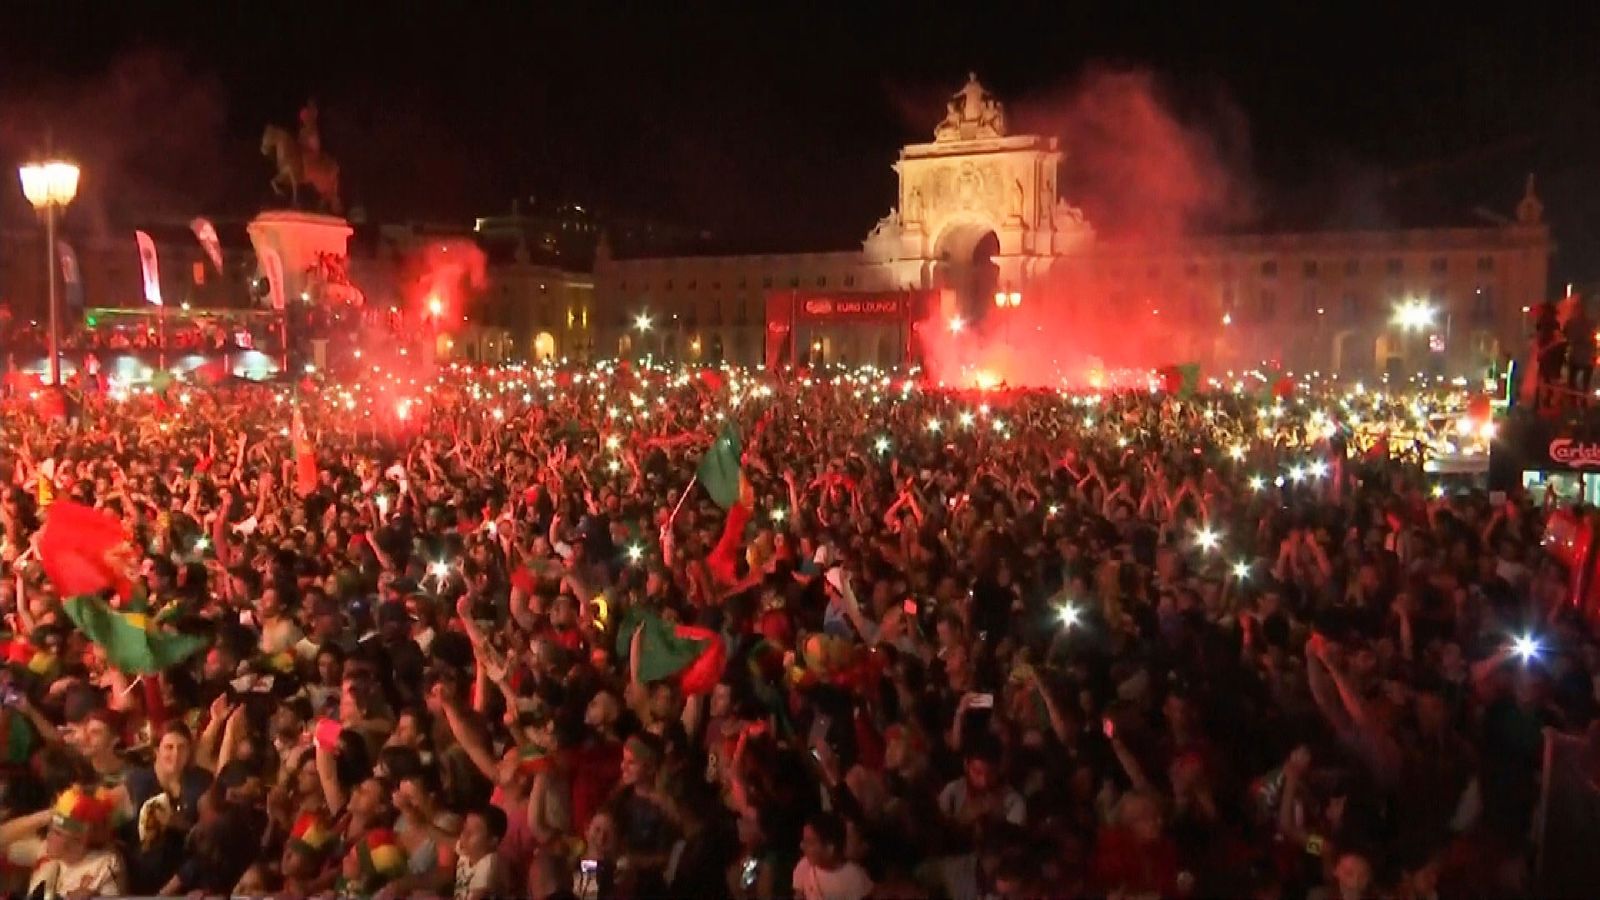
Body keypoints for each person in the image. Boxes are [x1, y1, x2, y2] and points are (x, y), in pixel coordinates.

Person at [792, 812, 872, 900]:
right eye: (804, 841)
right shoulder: (804, 867)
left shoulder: (855, 877)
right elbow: (799, 896)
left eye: (810, 842)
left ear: (830, 849)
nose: (802, 846)